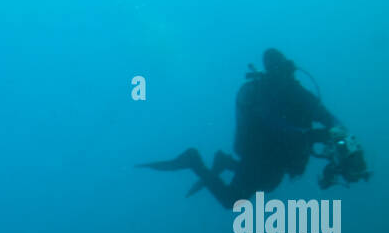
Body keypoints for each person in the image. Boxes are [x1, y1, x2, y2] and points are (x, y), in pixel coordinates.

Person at [139, 49, 369, 206]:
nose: (281, 75)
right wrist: (310, 135)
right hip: (259, 153)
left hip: (276, 160)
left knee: (268, 185)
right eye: (276, 70)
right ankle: (193, 160)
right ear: (271, 71)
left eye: (284, 70)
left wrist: (342, 137)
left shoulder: (298, 93)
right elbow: (270, 123)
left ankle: (225, 163)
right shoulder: (262, 94)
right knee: (232, 201)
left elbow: (328, 117)